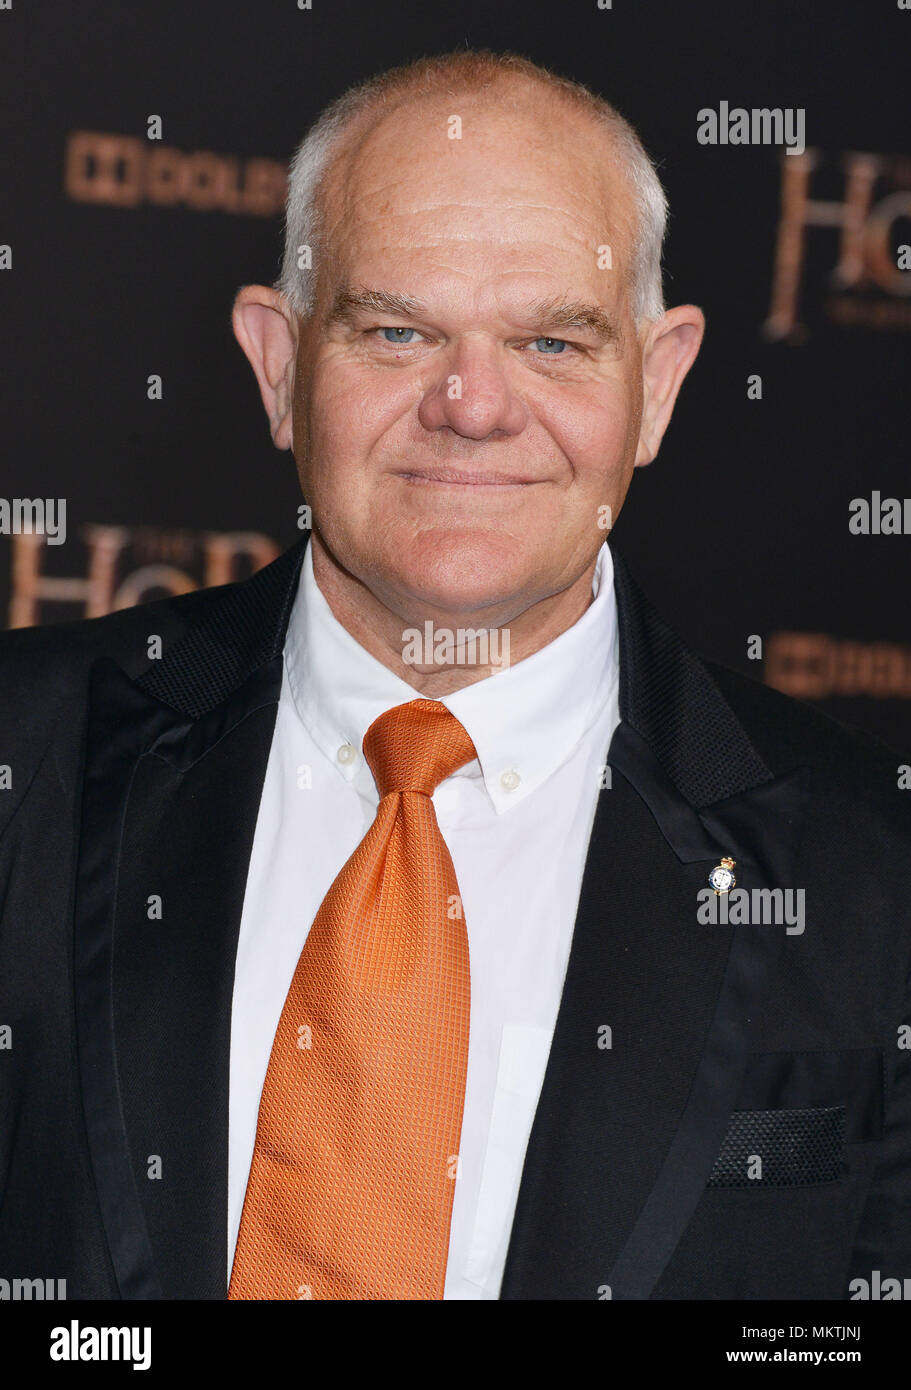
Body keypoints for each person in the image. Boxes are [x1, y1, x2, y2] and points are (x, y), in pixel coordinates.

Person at [0, 49, 908, 1302]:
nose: (472, 404)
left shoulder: (872, 878)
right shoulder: (23, 757)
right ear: (277, 364)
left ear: (657, 387)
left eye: (550, 339)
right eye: (394, 330)